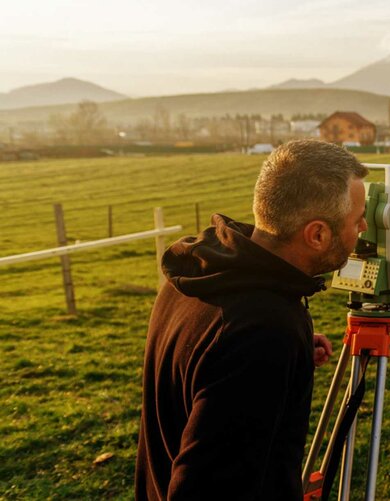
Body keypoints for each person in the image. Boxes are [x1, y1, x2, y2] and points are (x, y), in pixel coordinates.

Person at [135, 140, 369, 500]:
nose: (363, 227)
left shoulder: (198, 274)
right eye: (357, 219)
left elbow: (206, 357)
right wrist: (273, 347)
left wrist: (286, 352)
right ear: (318, 234)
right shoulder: (262, 332)